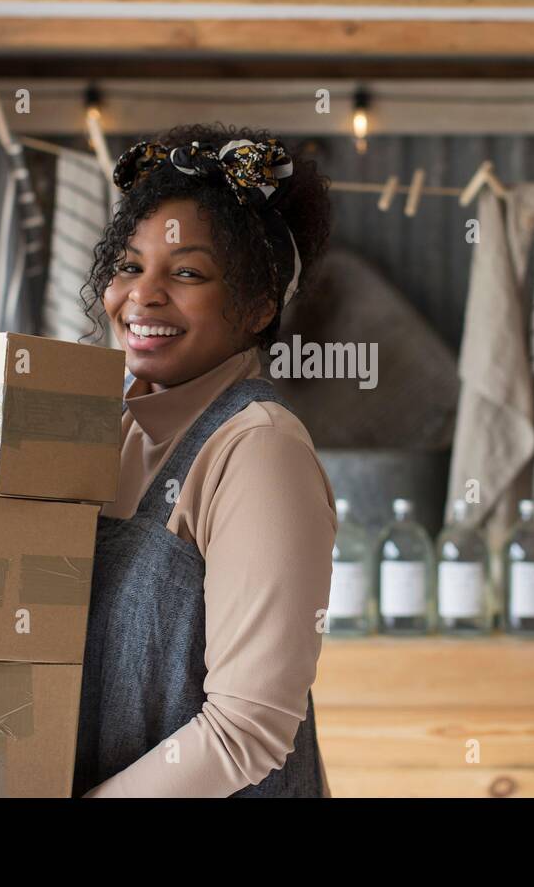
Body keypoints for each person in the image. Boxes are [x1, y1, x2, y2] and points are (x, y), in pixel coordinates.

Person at [71, 124, 335, 797]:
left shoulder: (258, 451)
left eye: (186, 272)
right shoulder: (116, 433)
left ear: (257, 304)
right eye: (130, 266)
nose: (143, 296)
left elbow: (247, 729)